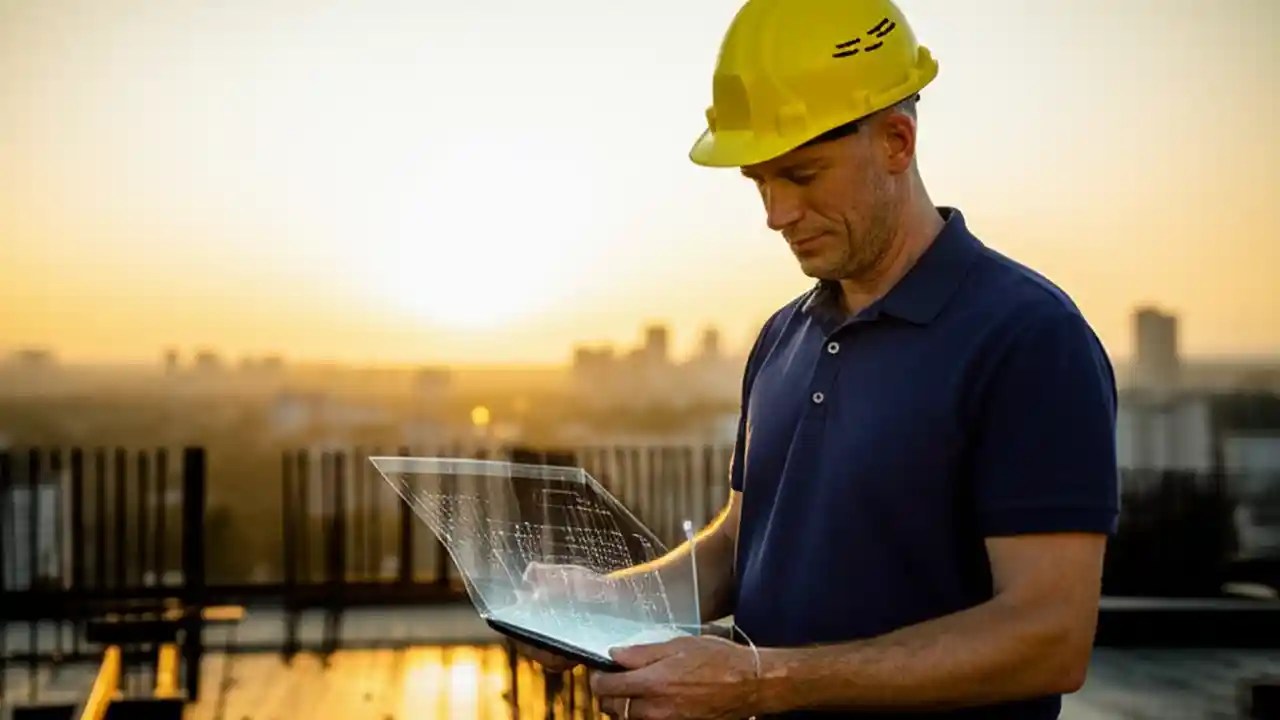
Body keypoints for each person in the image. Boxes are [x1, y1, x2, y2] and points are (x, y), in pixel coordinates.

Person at [518, 0, 1120, 717]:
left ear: (896, 141)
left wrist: (761, 681)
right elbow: (740, 544)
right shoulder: (782, 336)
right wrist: (604, 601)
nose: (776, 214)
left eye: (802, 176)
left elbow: (1050, 638)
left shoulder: (1029, 338)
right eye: (760, 182)